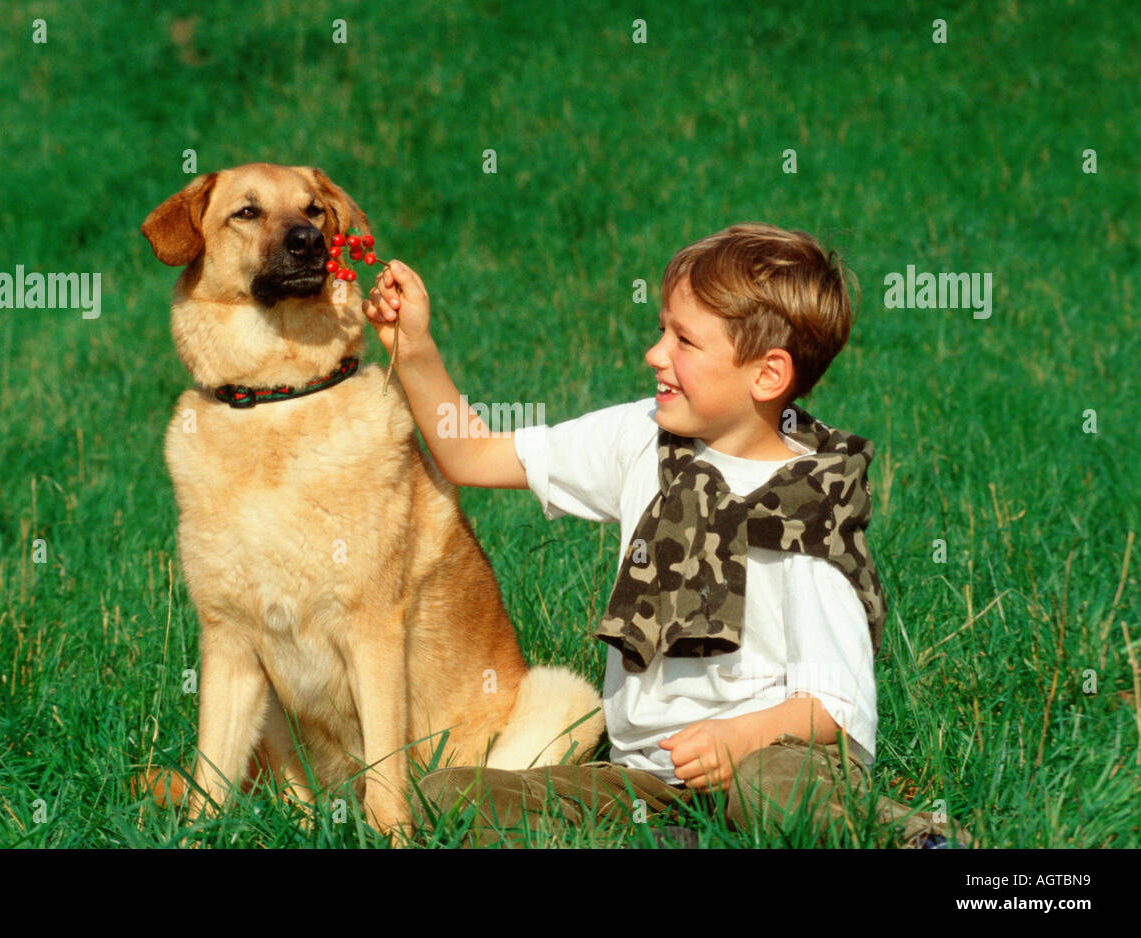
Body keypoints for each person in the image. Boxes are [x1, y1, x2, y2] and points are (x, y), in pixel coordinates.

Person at [361, 223, 974, 848]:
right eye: (662, 329)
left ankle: (918, 845)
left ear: (767, 376)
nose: (655, 353)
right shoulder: (643, 438)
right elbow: (472, 455)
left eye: (684, 340)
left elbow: (835, 708)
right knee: (448, 798)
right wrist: (414, 350)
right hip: (649, 785)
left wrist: (736, 740)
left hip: (773, 764)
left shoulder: (811, 514)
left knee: (771, 787)